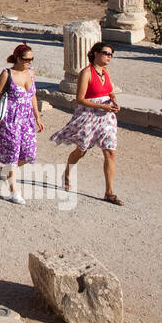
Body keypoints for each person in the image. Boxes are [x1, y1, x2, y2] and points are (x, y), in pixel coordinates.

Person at [49, 41, 124, 206]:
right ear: (95, 53)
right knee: (82, 150)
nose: (108, 57)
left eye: (111, 54)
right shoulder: (86, 73)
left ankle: (109, 192)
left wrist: (114, 102)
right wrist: (102, 105)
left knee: (110, 152)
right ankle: (67, 171)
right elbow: (80, 98)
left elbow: (110, 91)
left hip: (107, 117)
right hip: (89, 115)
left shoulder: (106, 72)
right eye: (105, 53)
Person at [0, 43, 45, 204]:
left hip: (27, 120)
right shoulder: (7, 74)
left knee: (28, 153)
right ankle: (14, 192)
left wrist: (37, 116)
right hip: (11, 120)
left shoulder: (31, 73)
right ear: (17, 58)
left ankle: (6, 172)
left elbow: (33, 95)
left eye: (32, 59)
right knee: (12, 154)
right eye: (27, 59)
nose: (30, 62)